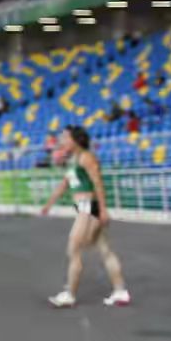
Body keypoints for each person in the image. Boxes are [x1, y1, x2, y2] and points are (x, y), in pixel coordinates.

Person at [41, 126, 130, 308]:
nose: (62, 141)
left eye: (65, 137)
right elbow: (64, 185)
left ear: (75, 139)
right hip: (85, 208)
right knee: (104, 250)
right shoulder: (73, 161)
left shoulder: (86, 157)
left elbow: (98, 183)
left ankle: (70, 294)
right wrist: (48, 204)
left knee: (73, 248)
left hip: (89, 208)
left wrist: (103, 210)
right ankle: (120, 291)